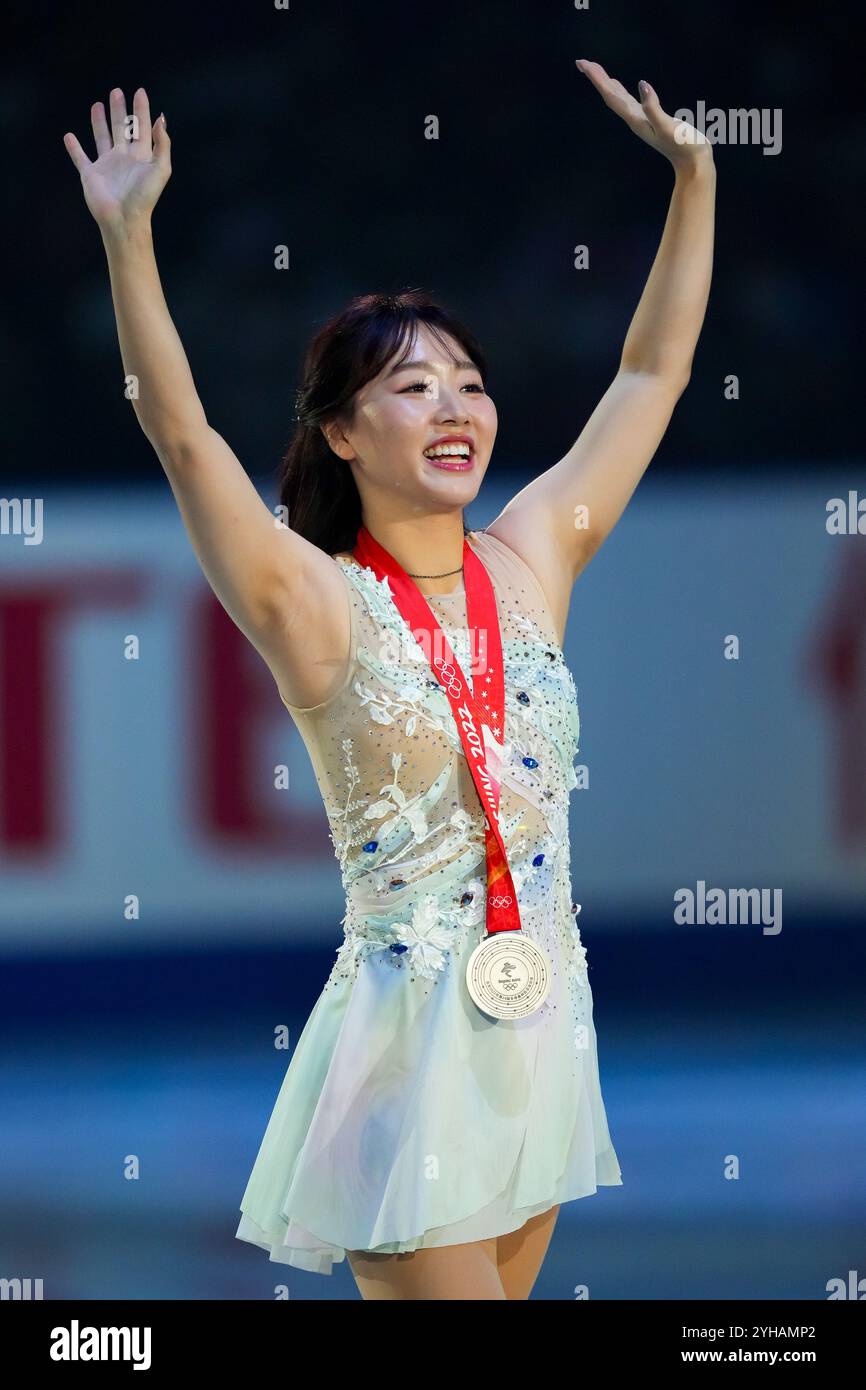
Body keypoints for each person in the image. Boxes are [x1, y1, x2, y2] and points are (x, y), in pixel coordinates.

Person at [62, 60, 715, 1299]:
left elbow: (650, 375)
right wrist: (128, 238)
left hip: (537, 1049)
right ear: (343, 436)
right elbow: (182, 433)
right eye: (411, 387)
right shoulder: (312, 604)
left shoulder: (530, 562)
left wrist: (694, 180)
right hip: (400, 1065)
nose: (454, 402)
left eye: (467, 381)